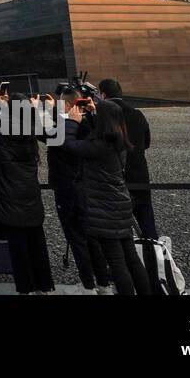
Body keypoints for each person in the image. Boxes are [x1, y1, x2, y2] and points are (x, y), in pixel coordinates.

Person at [58, 97, 151, 295]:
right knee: (132, 258)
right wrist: (93, 114)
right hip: (121, 204)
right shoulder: (119, 140)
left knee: (117, 262)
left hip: (104, 209)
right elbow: (100, 132)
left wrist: (71, 122)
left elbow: (69, 145)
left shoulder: (99, 146)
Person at [0, 86, 55, 294]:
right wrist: (43, 110)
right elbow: (53, 132)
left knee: (18, 249)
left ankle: (26, 288)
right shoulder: (31, 130)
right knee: (37, 243)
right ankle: (44, 286)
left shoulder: (2, 133)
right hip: (30, 196)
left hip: (8, 198)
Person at [46, 88, 110, 293]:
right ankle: (103, 284)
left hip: (67, 187)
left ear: (67, 106)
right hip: (87, 185)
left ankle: (88, 285)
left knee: (76, 238)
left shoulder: (66, 128)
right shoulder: (92, 126)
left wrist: (44, 112)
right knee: (92, 237)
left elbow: (44, 133)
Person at [98, 78, 156, 239]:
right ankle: (154, 257)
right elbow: (146, 143)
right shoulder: (137, 114)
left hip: (114, 177)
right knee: (147, 221)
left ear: (103, 95)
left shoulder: (103, 116)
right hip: (139, 173)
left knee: (118, 227)